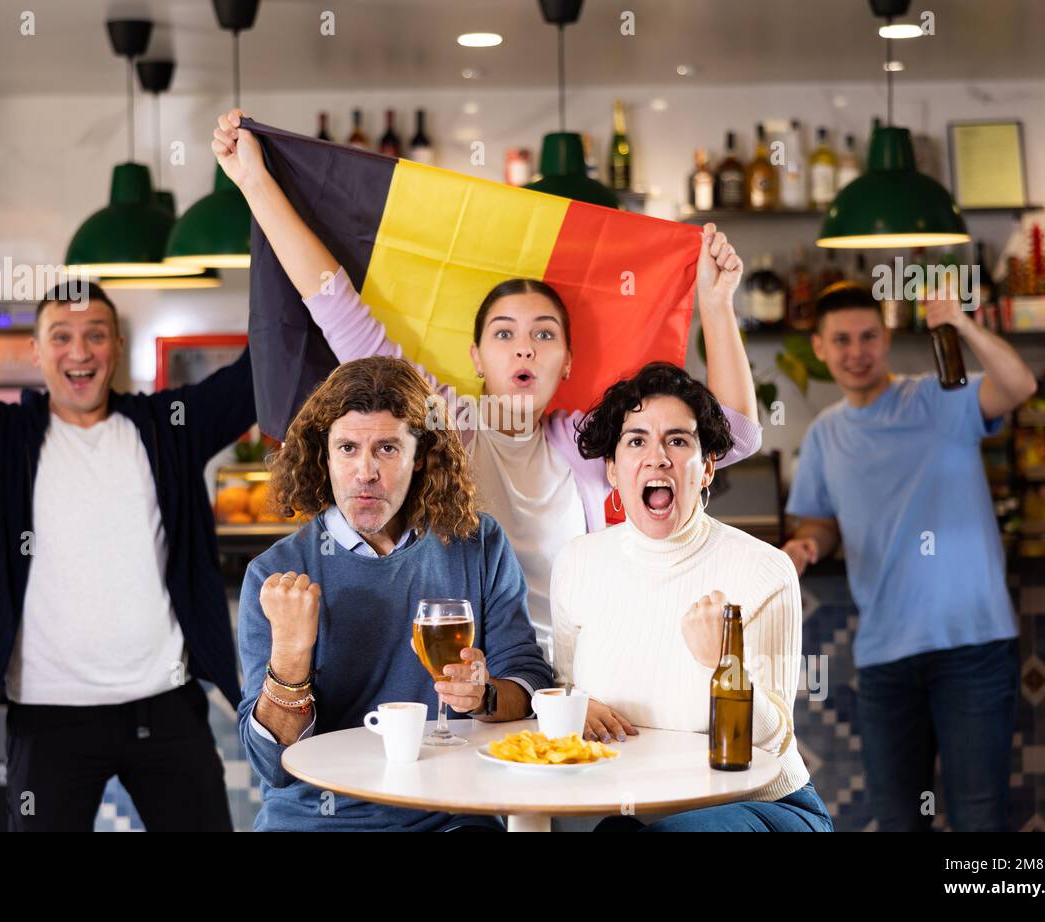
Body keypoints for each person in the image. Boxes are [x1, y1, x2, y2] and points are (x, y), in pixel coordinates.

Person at [211, 108, 762, 658]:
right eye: (505, 334)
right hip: (474, 680)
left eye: (544, 335)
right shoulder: (445, 422)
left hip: (589, 677)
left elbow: (734, 435)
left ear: (568, 361)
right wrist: (255, 183)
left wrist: (716, 304)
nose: (525, 347)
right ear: (477, 357)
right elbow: (336, 306)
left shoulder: (595, 441)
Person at [0, 241, 252, 831]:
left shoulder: (166, 429)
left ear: (118, 347)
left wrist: (291, 260)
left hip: (164, 706)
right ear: (36, 350)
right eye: (61, 336)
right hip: (48, 715)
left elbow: (253, 381)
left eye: (97, 334)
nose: (80, 352)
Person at [238, 356, 553, 831]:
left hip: (449, 817)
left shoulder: (479, 544)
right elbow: (270, 763)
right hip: (316, 821)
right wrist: (288, 655)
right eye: (347, 448)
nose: (365, 472)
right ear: (324, 456)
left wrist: (483, 696)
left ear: (421, 453)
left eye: (386, 448)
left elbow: (526, 682)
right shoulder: (276, 574)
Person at [783, 281, 1035, 831]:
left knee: (979, 817)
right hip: (884, 656)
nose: (857, 352)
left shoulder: (940, 397)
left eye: (868, 336)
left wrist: (963, 324)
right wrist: (807, 545)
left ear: (888, 338)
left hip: (974, 645)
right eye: (842, 340)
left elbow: (1020, 384)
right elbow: (820, 521)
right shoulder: (826, 435)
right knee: (899, 820)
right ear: (820, 349)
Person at [550, 362, 831, 831]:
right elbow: (565, 686)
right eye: (636, 440)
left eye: (678, 441)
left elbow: (773, 739)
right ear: (613, 470)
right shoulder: (578, 562)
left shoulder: (763, 569)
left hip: (760, 805)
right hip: (636, 812)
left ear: (707, 469)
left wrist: (722, 666)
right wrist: (575, 703)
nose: (657, 457)